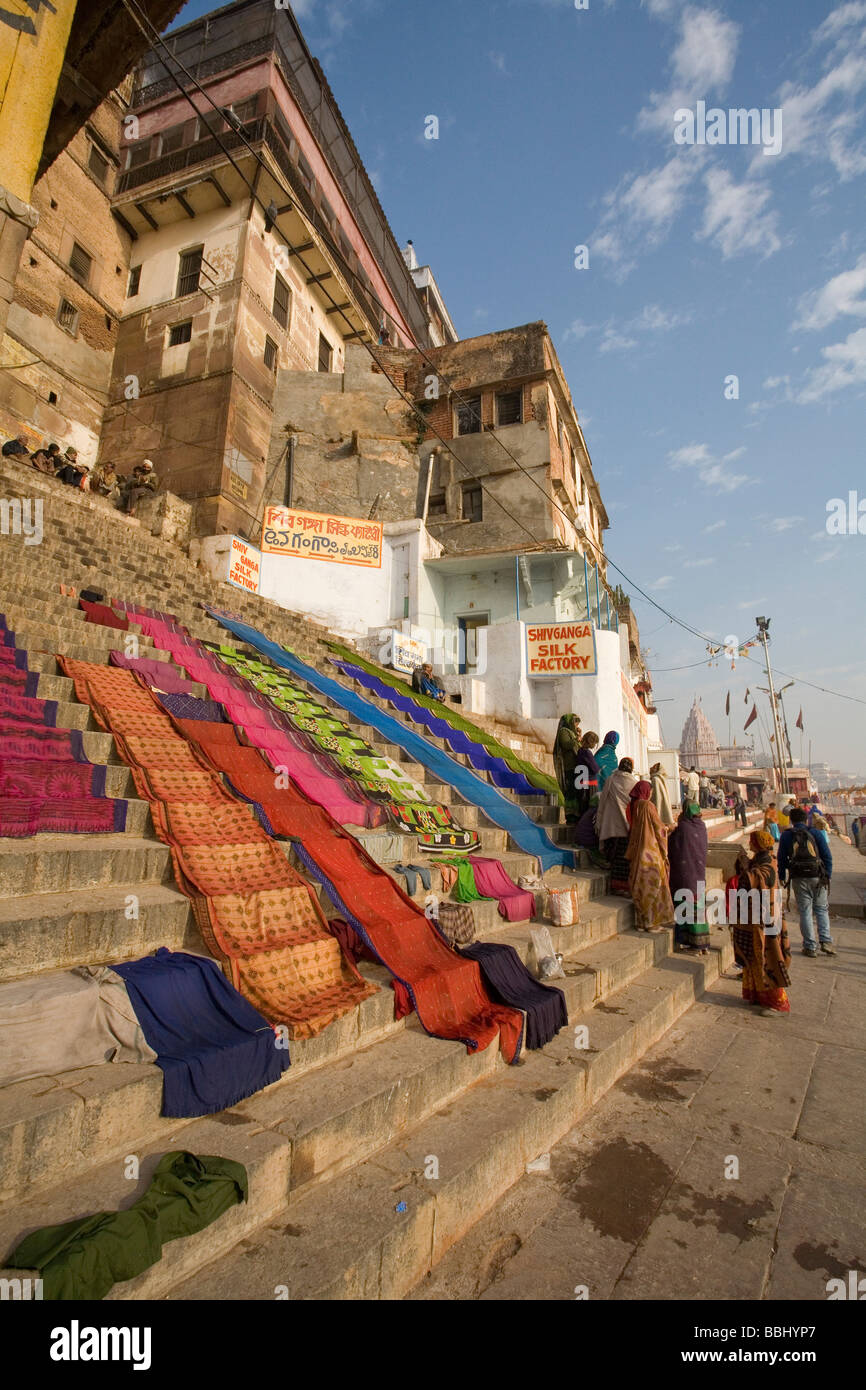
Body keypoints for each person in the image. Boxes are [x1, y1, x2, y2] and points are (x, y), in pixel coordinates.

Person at [731, 829, 791, 1016]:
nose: (749, 843)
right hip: (757, 918)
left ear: (757, 844)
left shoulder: (766, 865)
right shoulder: (763, 860)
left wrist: (745, 870)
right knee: (755, 959)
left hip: (766, 920)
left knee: (769, 959)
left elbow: (755, 879)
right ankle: (759, 995)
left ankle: (778, 1003)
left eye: (751, 841)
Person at [778, 807, 834, 958]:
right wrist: (827, 875)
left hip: (798, 876)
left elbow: (782, 858)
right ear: (806, 819)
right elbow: (827, 856)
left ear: (791, 820)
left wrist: (782, 875)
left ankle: (810, 946)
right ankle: (826, 941)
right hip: (817, 875)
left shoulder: (786, 836)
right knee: (821, 909)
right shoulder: (815, 833)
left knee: (805, 911)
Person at [626, 781, 674, 931]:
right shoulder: (648, 805)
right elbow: (659, 828)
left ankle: (641, 922)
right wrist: (668, 828)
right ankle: (652, 924)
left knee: (641, 887)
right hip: (651, 851)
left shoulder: (636, 805)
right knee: (654, 887)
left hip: (638, 850)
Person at [668, 802, 709, 952]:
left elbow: (672, 845)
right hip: (698, 872)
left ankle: (689, 940)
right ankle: (702, 941)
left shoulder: (683, 828)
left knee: (685, 904)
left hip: (685, 873)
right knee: (698, 905)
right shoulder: (701, 826)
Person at [595, 756, 637, 894]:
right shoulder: (634, 782)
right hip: (627, 825)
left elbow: (602, 801)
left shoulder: (611, 779)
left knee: (614, 857)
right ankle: (625, 887)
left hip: (612, 825)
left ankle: (616, 886)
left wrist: (599, 821)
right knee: (625, 860)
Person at [553, 714, 582, 822]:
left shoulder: (572, 733)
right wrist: (577, 739)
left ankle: (576, 814)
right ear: (569, 722)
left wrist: (578, 735)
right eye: (575, 722)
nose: (576, 724)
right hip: (569, 766)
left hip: (576, 766)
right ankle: (570, 815)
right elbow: (566, 744)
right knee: (570, 792)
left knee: (576, 791)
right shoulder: (564, 731)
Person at [574, 730, 600, 820]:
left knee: (583, 808)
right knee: (590, 809)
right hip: (589, 784)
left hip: (581, 782)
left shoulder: (580, 751)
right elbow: (595, 769)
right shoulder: (587, 753)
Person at [649, 762, 675, 827]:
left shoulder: (655, 779)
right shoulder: (661, 778)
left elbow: (656, 796)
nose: (651, 768)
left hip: (657, 803)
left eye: (654, 767)